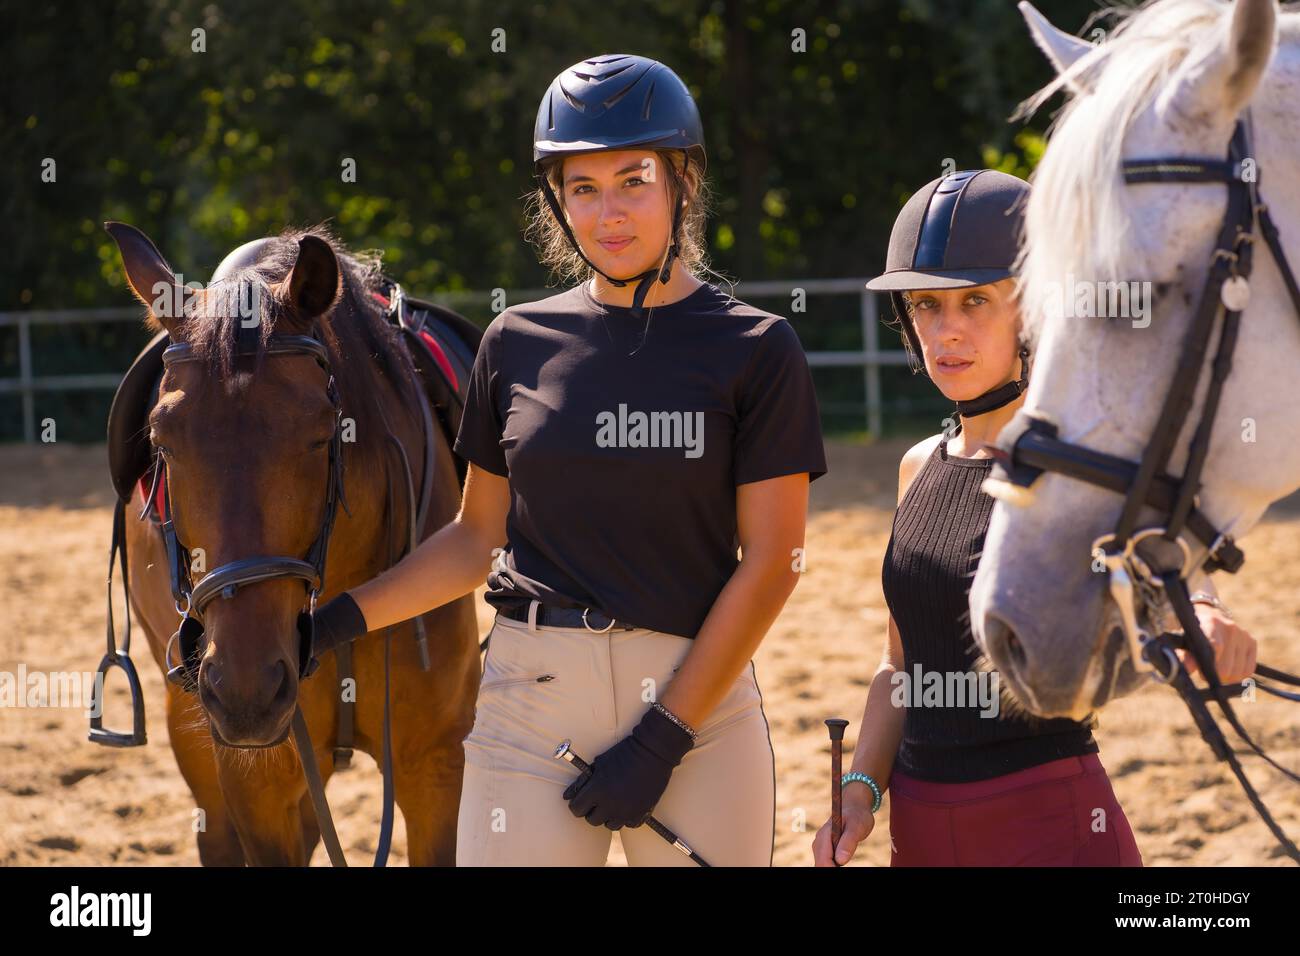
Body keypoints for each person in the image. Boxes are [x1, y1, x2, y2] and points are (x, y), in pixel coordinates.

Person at [312, 54, 827, 866]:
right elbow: (476, 538)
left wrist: (663, 737)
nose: (609, 213)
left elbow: (773, 561)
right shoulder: (514, 342)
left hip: (700, 710)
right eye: (583, 188)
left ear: (682, 181)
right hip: (529, 704)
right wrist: (338, 619)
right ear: (556, 200)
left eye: (634, 180)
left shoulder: (757, 349)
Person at [811, 169, 1256, 867]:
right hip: (920, 830)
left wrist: (1204, 612)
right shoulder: (917, 465)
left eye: (977, 301)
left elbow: (1177, 574)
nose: (947, 331)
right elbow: (899, 665)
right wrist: (863, 789)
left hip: (1048, 819)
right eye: (926, 304)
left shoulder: (1082, 463)